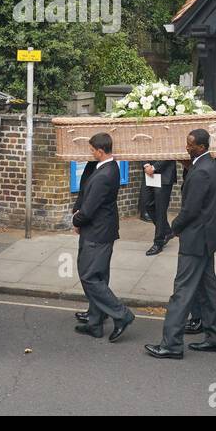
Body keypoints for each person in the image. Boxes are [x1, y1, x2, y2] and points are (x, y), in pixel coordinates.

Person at [145, 129, 216, 359]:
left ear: (201, 147)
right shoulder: (205, 165)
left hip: (195, 240)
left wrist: (174, 227)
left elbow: (191, 209)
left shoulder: (201, 171)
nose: (186, 147)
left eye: (190, 144)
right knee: (208, 290)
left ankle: (171, 345)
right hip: (206, 239)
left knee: (182, 292)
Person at [71, 133, 135, 342]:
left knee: (89, 276)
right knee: (99, 276)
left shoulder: (103, 175)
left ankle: (121, 314)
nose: (90, 153)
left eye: (92, 150)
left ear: (99, 151)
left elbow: (88, 210)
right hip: (102, 230)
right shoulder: (108, 168)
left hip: (96, 232)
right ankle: (95, 323)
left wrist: (76, 221)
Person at [140, 159, 177, 255]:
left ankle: (158, 243)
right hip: (149, 173)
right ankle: (167, 231)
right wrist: (146, 165)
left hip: (164, 173)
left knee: (160, 210)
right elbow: (143, 148)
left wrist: (154, 167)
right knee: (147, 204)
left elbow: (170, 152)